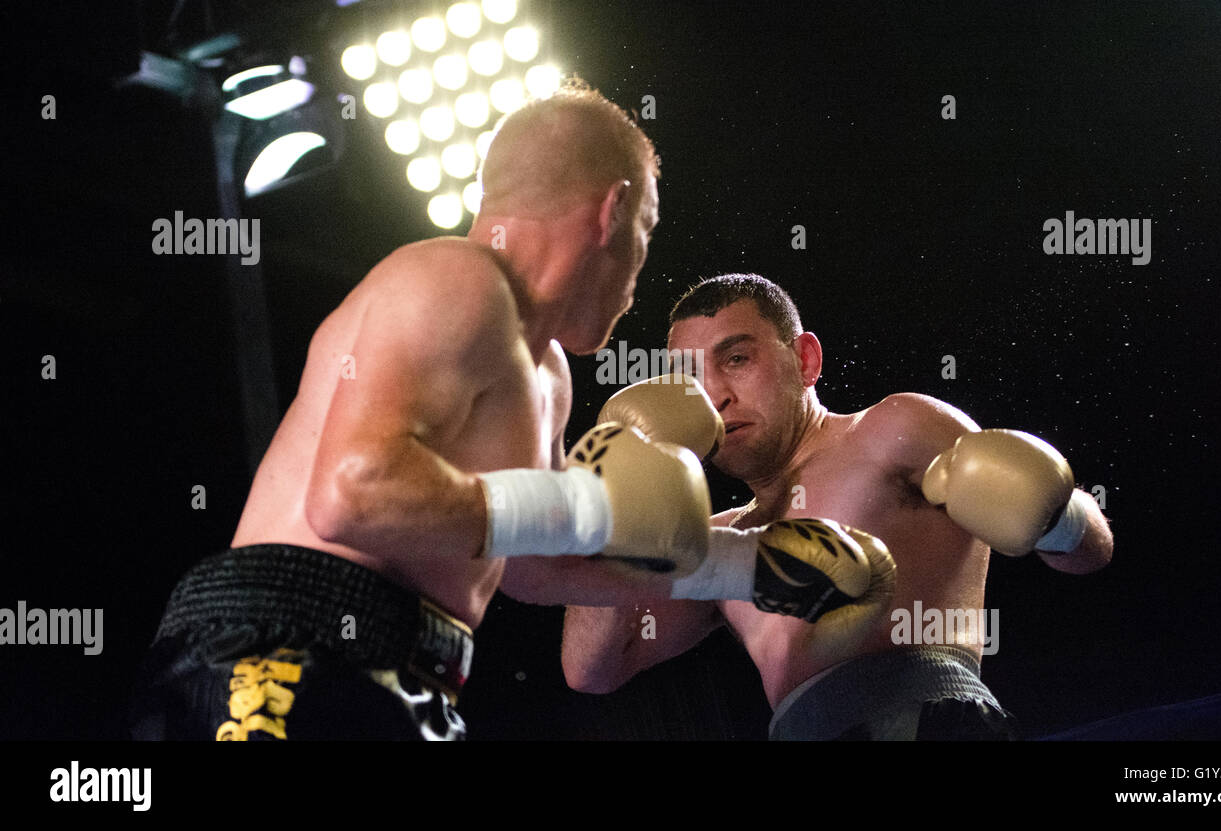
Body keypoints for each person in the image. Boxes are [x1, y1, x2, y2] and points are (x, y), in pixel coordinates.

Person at [129, 86, 893, 742]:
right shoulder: (454, 280)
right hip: (279, 644)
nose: (638, 273)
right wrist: (587, 499)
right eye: (647, 233)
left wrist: (752, 566)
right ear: (612, 210)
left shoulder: (548, 375)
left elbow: (531, 563)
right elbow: (350, 494)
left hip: (419, 671)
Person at [562, 274, 1114, 740]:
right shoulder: (716, 540)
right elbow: (591, 671)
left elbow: (1093, 551)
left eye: (736, 358)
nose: (714, 395)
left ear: (804, 359)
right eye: (689, 378)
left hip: (933, 721)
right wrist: (612, 516)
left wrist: (1057, 515)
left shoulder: (892, 430)